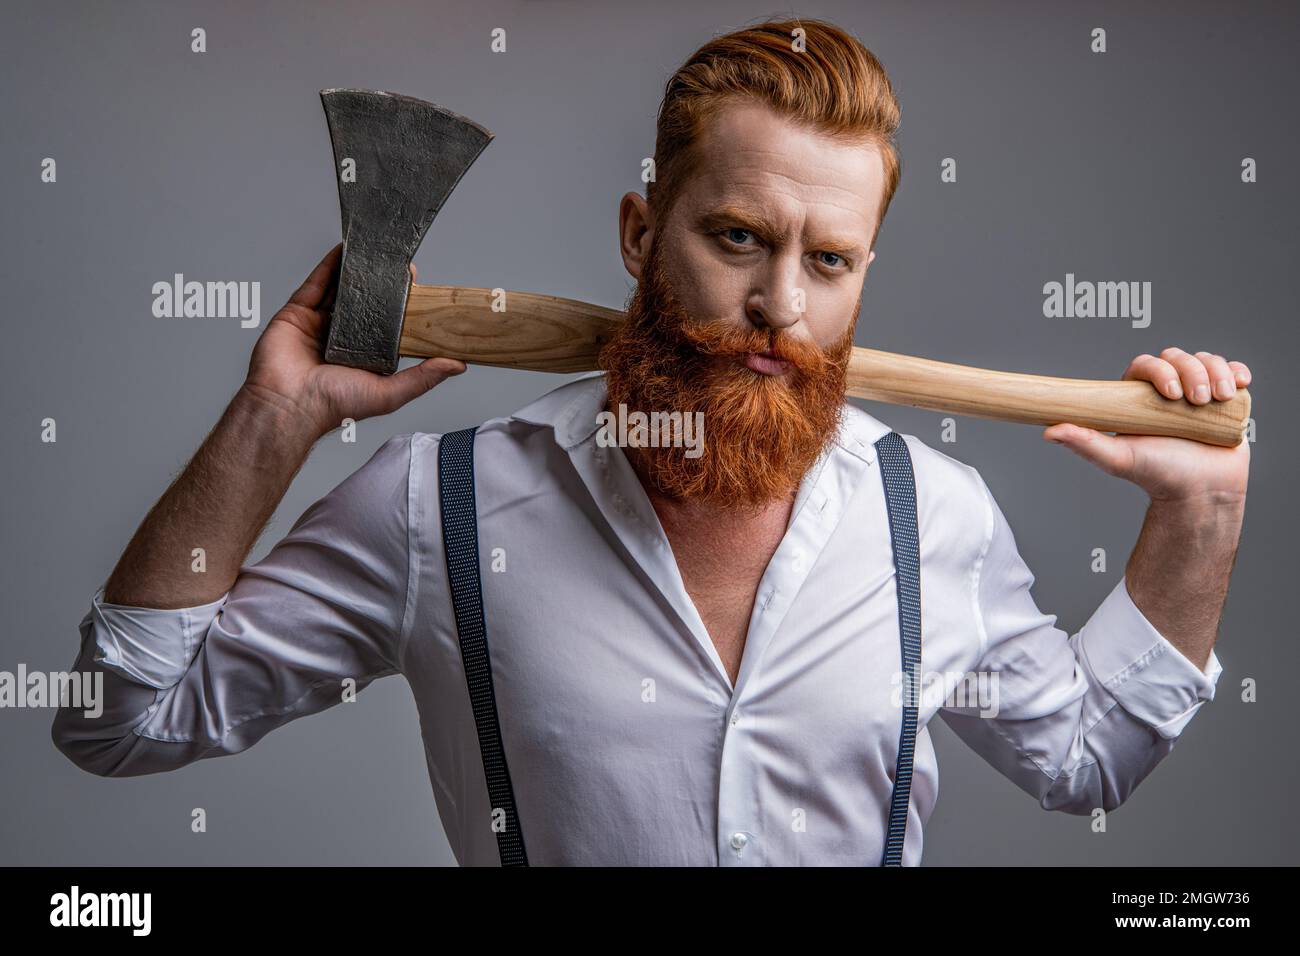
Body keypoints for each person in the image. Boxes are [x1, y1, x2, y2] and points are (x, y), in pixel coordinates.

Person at [52, 18, 1250, 866]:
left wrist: (1197, 514)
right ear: (640, 234)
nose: (780, 303)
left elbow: (1086, 759)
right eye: (736, 237)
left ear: (860, 274)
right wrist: (276, 418)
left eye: (827, 260)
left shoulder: (930, 513)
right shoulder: (443, 506)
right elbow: (117, 717)